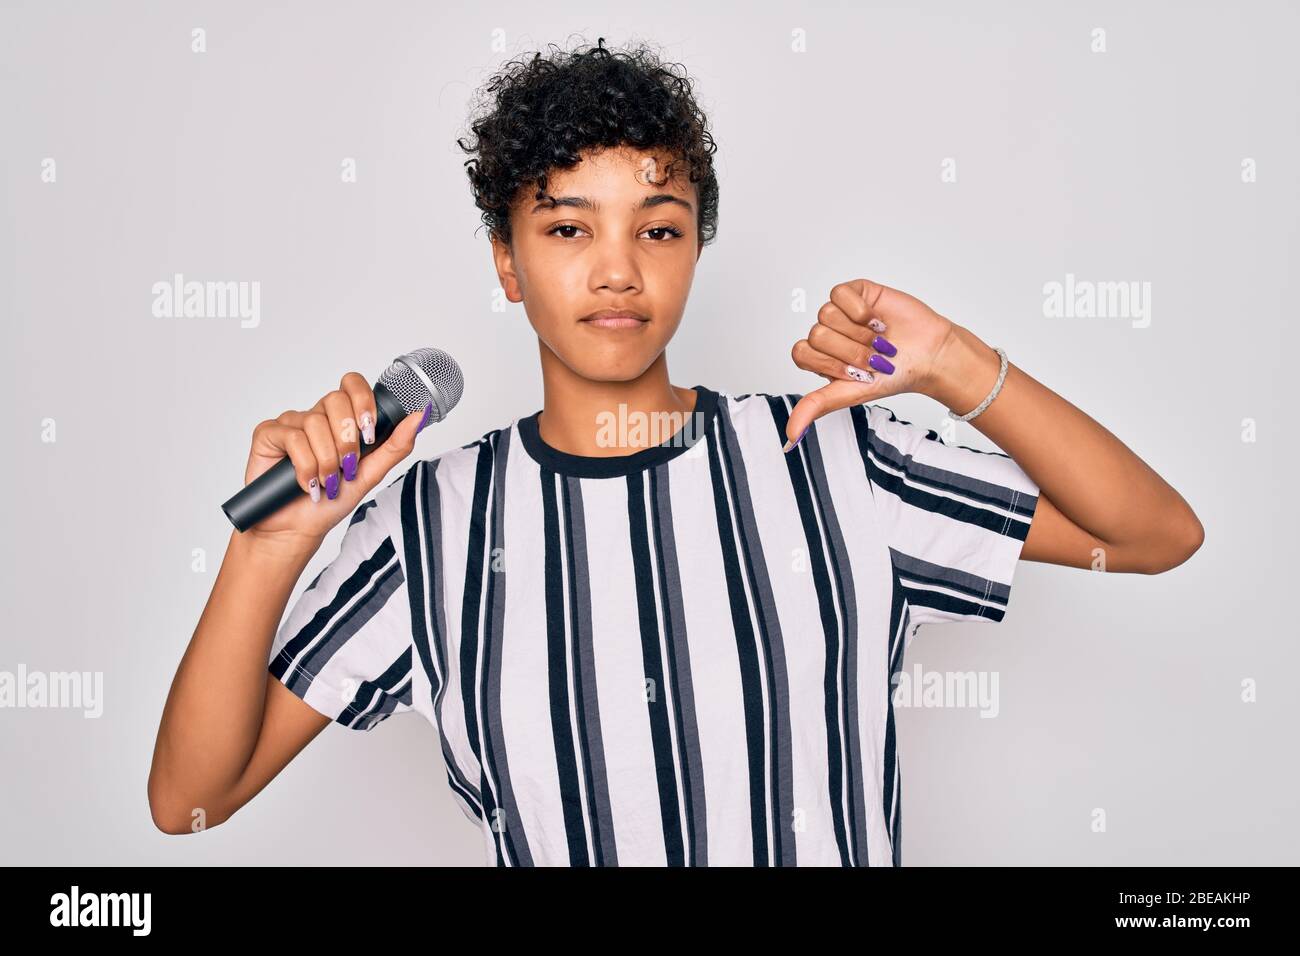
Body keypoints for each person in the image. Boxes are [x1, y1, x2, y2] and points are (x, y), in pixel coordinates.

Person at [148, 38, 1203, 865]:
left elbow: (1154, 533)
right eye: (567, 230)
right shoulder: (426, 529)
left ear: (696, 244)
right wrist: (269, 548)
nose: (617, 271)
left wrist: (956, 365)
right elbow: (189, 800)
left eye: (657, 227)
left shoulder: (833, 457)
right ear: (506, 263)